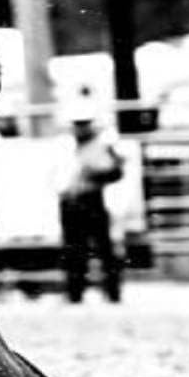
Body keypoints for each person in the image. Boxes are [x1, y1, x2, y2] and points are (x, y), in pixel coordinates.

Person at [58, 119, 125, 303]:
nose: (80, 128)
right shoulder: (65, 145)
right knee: (74, 250)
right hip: (71, 200)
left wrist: (93, 172)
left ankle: (113, 293)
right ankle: (75, 294)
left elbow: (116, 172)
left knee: (103, 248)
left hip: (92, 197)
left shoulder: (102, 145)